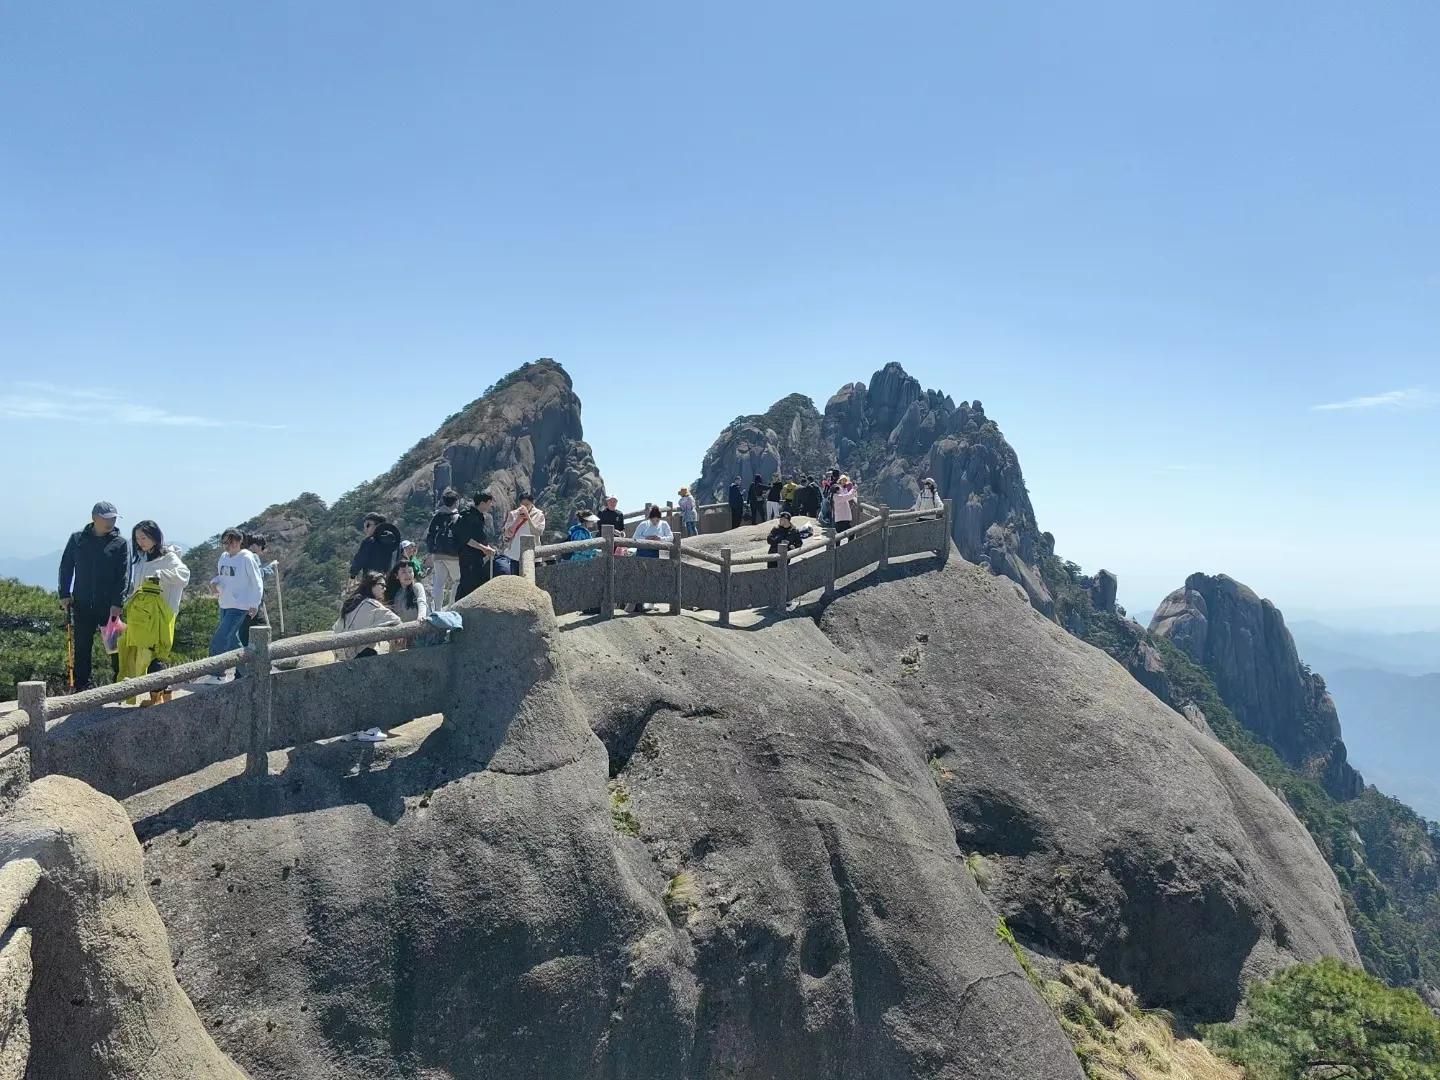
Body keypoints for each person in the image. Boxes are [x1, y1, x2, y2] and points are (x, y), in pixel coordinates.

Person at [58, 501, 130, 690]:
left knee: (114, 647)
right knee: (82, 646)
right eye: (106, 518)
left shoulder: (120, 543)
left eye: (113, 518)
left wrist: (118, 603)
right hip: (81, 602)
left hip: (109, 605)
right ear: (94, 518)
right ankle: (83, 686)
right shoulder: (77, 539)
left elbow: (123, 576)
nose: (111, 522)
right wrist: (64, 594)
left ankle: (120, 684)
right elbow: (66, 567)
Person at [120, 520, 191, 704]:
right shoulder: (143, 558)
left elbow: (184, 575)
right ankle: (162, 693)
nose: (140, 542)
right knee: (146, 653)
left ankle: (159, 694)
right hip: (143, 616)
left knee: (155, 652)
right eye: (137, 538)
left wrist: (161, 574)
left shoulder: (168, 557)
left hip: (162, 613)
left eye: (144, 537)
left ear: (155, 537)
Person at [209, 528, 263, 669]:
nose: (229, 545)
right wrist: (214, 583)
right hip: (225, 603)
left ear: (239, 541)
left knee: (220, 639)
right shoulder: (224, 557)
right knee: (233, 641)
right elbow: (222, 577)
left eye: (232, 541)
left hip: (240, 605)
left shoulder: (247, 557)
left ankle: (216, 673)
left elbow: (257, 581)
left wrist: (254, 603)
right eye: (226, 542)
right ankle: (246, 672)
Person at [333, 571, 402, 660]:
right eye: (382, 585)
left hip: (343, 653)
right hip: (361, 654)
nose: (384, 589)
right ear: (371, 585)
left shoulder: (351, 602)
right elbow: (395, 619)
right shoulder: (371, 604)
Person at [628, 505, 673, 612]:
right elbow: (634, 537)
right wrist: (646, 538)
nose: (655, 522)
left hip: (656, 553)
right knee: (641, 578)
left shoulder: (664, 524)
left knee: (654, 578)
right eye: (654, 519)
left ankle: (652, 603)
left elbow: (671, 537)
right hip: (642, 552)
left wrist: (660, 538)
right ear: (650, 518)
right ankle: (640, 603)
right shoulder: (644, 524)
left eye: (657, 519)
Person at [454, 491, 497, 600]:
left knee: (477, 582)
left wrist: (487, 547)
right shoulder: (467, 515)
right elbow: (466, 539)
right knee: (468, 583)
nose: (491, 505)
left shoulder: (479, 516)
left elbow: (480, 537)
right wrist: (484, 548)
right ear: (482, 503)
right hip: (468, 556)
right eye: (489, 502)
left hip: (477, 556)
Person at [425, 488, 463, 609]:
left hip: (437, 554)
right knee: (458, 581)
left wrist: (432, 550)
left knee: (438, 583)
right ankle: (452, 607)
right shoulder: (457, 517)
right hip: (453, 555)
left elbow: (430, 534)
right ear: (456, 501)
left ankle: (437, 610)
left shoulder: (437, 516)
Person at [240, 533, 277, 646]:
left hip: (240, 601)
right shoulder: (253, 556)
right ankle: (258, 658)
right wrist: (271, 567)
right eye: (262, 547)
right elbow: (258, 575)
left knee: (243, 631)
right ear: (256, 545)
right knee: (260, 628)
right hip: (252, 601)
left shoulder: (239, 555)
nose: (262, 551)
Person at [385, 561, 430, 645]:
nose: (408, 575)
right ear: (396, 576)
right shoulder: (396, 594)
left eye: (410, 571)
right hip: (404, 634)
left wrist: (421, 616)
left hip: (420, 631)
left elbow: (422, 602)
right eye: (403, 572)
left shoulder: (417, 587)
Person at [500, 493, 546, 575]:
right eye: (523, 504)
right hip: (515, 554)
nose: (525, 506)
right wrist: (517, 519)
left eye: (527, 504)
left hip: (533, 555)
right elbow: (507, 534)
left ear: (532, 503)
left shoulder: (539, 514)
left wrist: (528, 517)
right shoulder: (513, 514)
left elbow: (538, 532)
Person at [349, 512, 402, 579]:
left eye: (367, 525)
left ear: (378, 525)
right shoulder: (396, 542)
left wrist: (353, 573)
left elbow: (360, 559)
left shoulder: (369, 541)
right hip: (392, 580)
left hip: (372, 581)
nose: (365, 529)